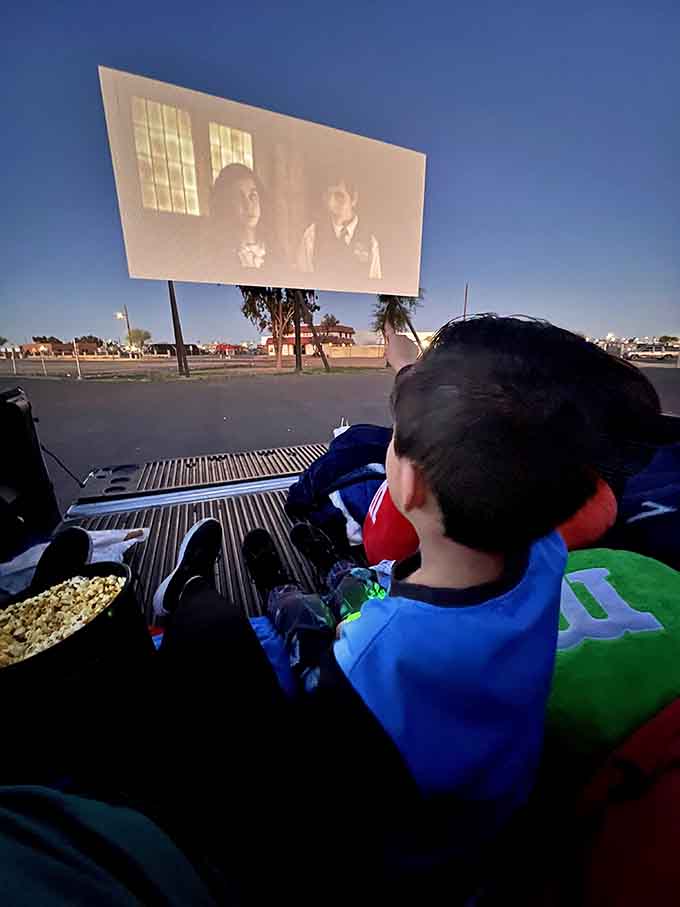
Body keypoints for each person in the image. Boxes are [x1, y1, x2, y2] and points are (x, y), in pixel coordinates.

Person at [297, 175, 382, 280]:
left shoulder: (370, 241)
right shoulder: (312, 234)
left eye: (339, 196)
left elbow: (375, 284)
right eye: (328, 196)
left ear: (354, 199)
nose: (331, 204)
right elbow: (303, 280)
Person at [209, 162, 276, 271]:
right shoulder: (217, 257)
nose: (248, 205)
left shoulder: (276, 251)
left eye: (252, 195)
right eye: (239, 197)